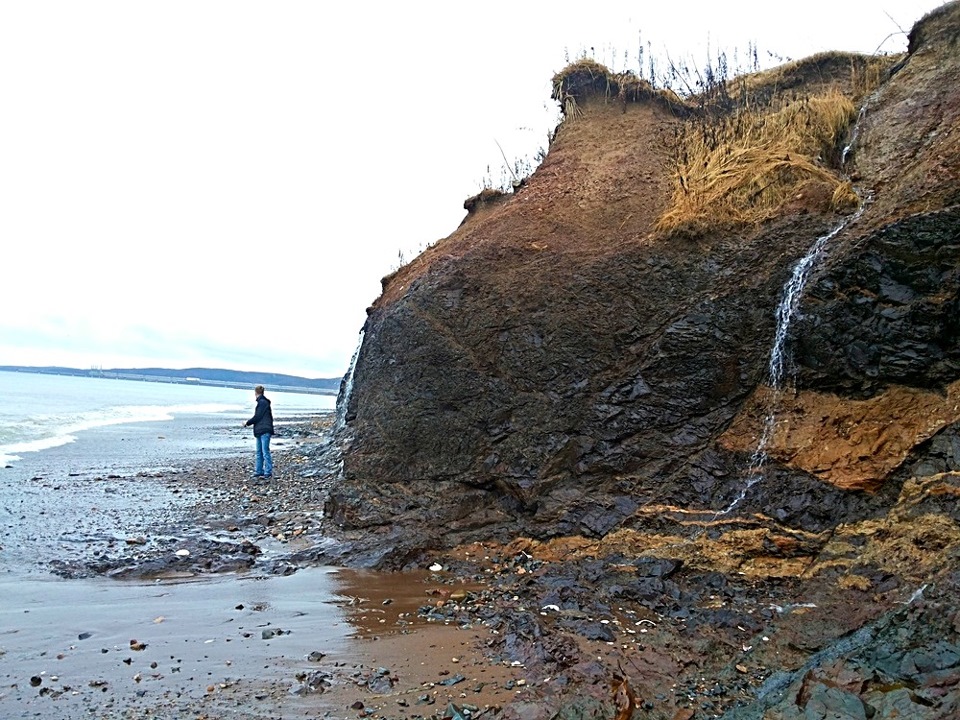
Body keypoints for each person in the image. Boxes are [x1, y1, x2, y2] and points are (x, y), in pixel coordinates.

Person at [244, 385, 274, 478]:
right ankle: (259, 471)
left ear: (256, 393)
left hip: (263, 430)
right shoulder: (265, 402)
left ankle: (267, 471)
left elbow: (257, 417)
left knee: (264, 452)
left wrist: (247, 423)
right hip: (262, 430)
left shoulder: (262, 403)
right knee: (260, 452)